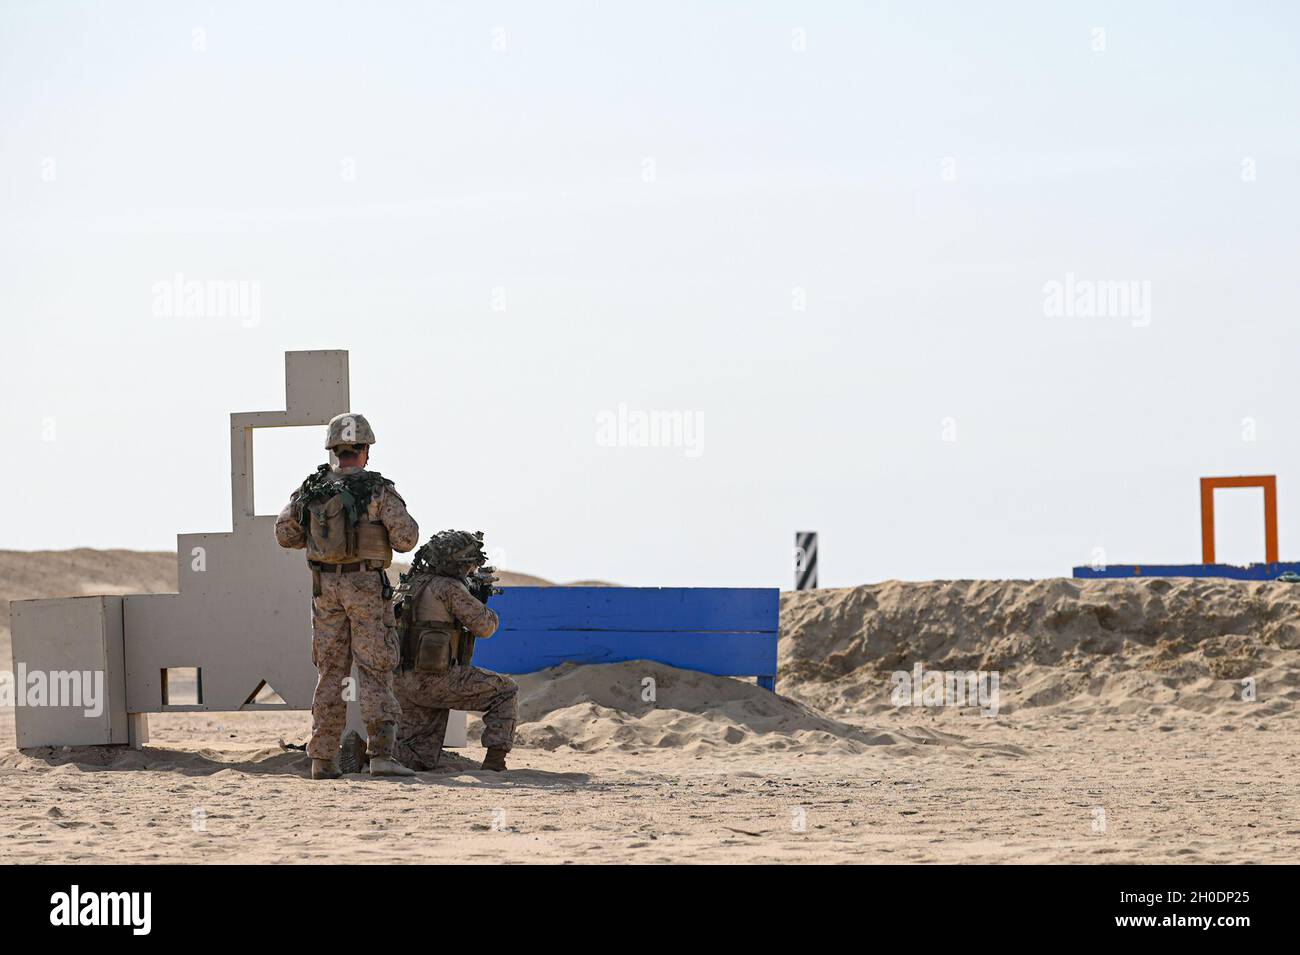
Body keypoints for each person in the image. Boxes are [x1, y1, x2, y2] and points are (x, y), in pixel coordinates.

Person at [274, 412, 419, 779]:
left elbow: (285, 534)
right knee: (375, 669)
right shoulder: (377, 490)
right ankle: (383, 755)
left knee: (330, 674)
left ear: (332, 449)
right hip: (367, 589)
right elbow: (406, 538)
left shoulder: (312, 490)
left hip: (325, 592)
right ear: (365, 449)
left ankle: (323, 759)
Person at [393, 530, 518, 772]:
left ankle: (361, 751)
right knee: (506, 691)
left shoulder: (408, 583)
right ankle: (495, 763)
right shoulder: (448, 588)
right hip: (438, 680)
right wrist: (478, 599)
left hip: (403, 680)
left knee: (417, 757)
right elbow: (485, 627)